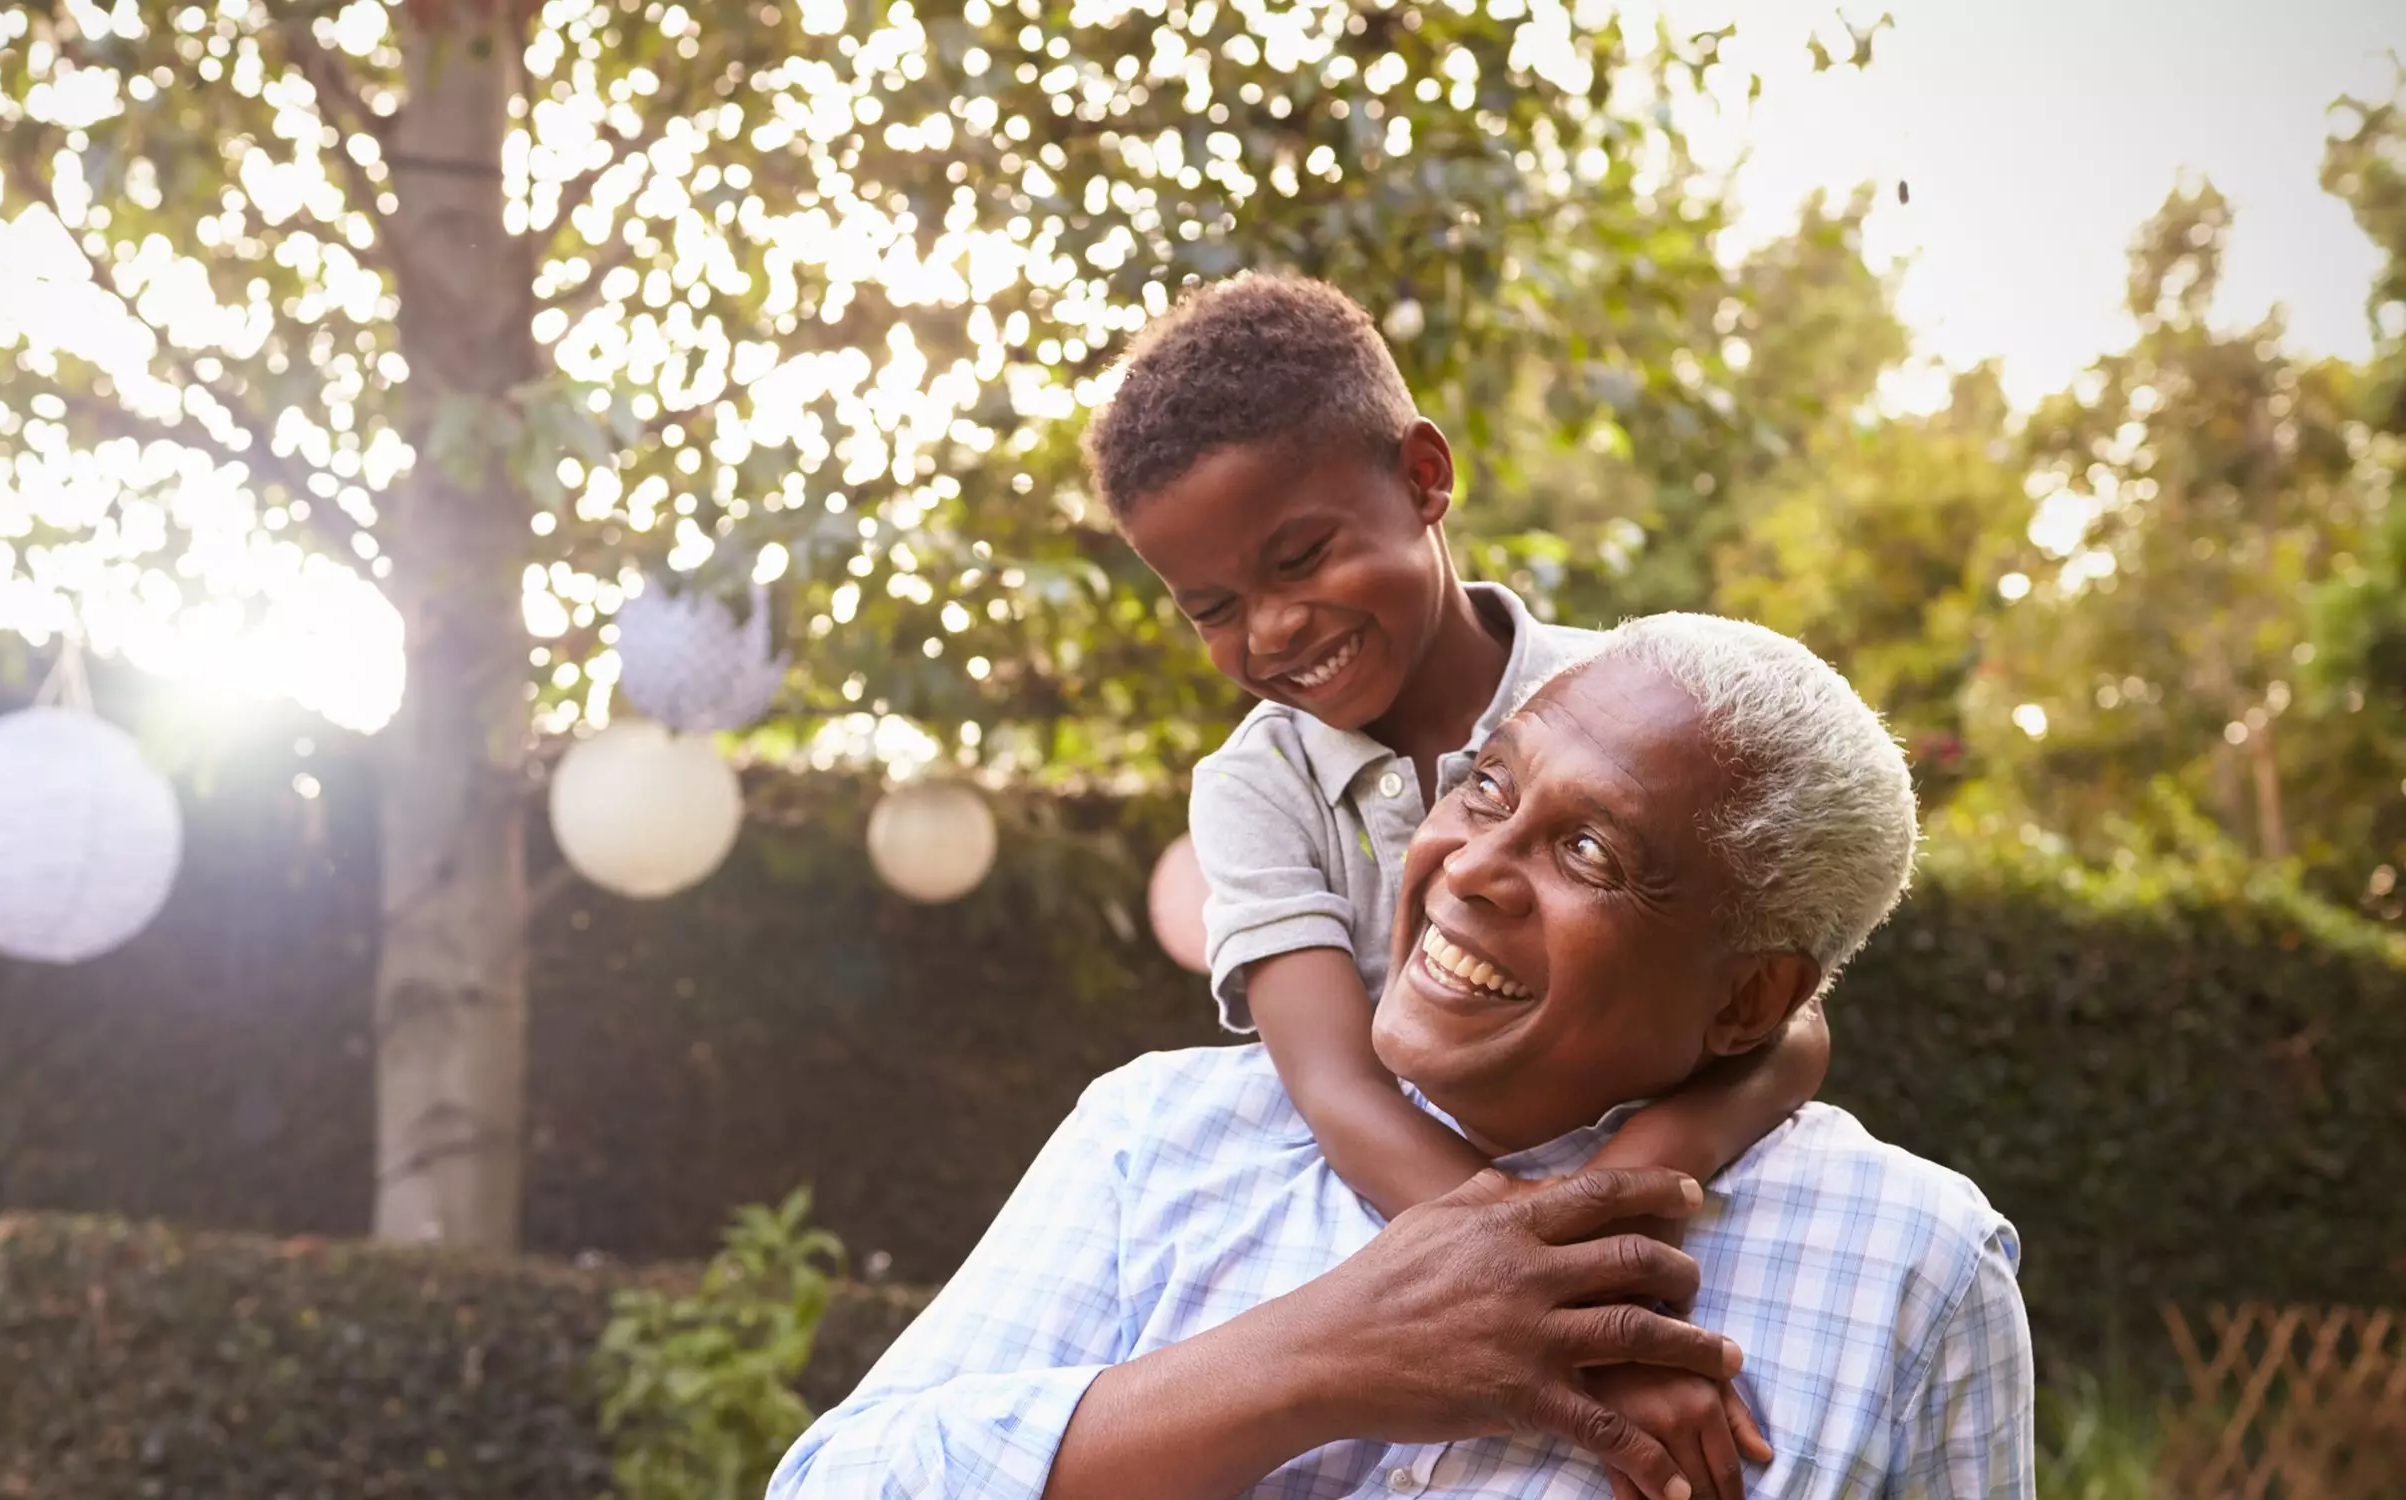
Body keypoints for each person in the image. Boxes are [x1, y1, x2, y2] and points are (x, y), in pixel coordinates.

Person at [769, 614, 2035, 1500]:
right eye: (1487, 787)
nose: (1471, 866)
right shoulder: (1156, 1139)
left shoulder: (1914, 1267)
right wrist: (1317, 1359)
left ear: (1753, 997)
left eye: (1592, 853)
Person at [1089, 270, 1828, 1488]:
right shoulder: (1252, 789)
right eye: (1213, 607)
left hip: (1608, 1178)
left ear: (1425, 479)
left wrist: (1605, 1232)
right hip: (1405, 1222)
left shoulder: (1629, 706)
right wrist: (1547, 1293)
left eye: (1302, 557)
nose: (1269, 632)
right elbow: (1333, 1085)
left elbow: (1785, 1028)